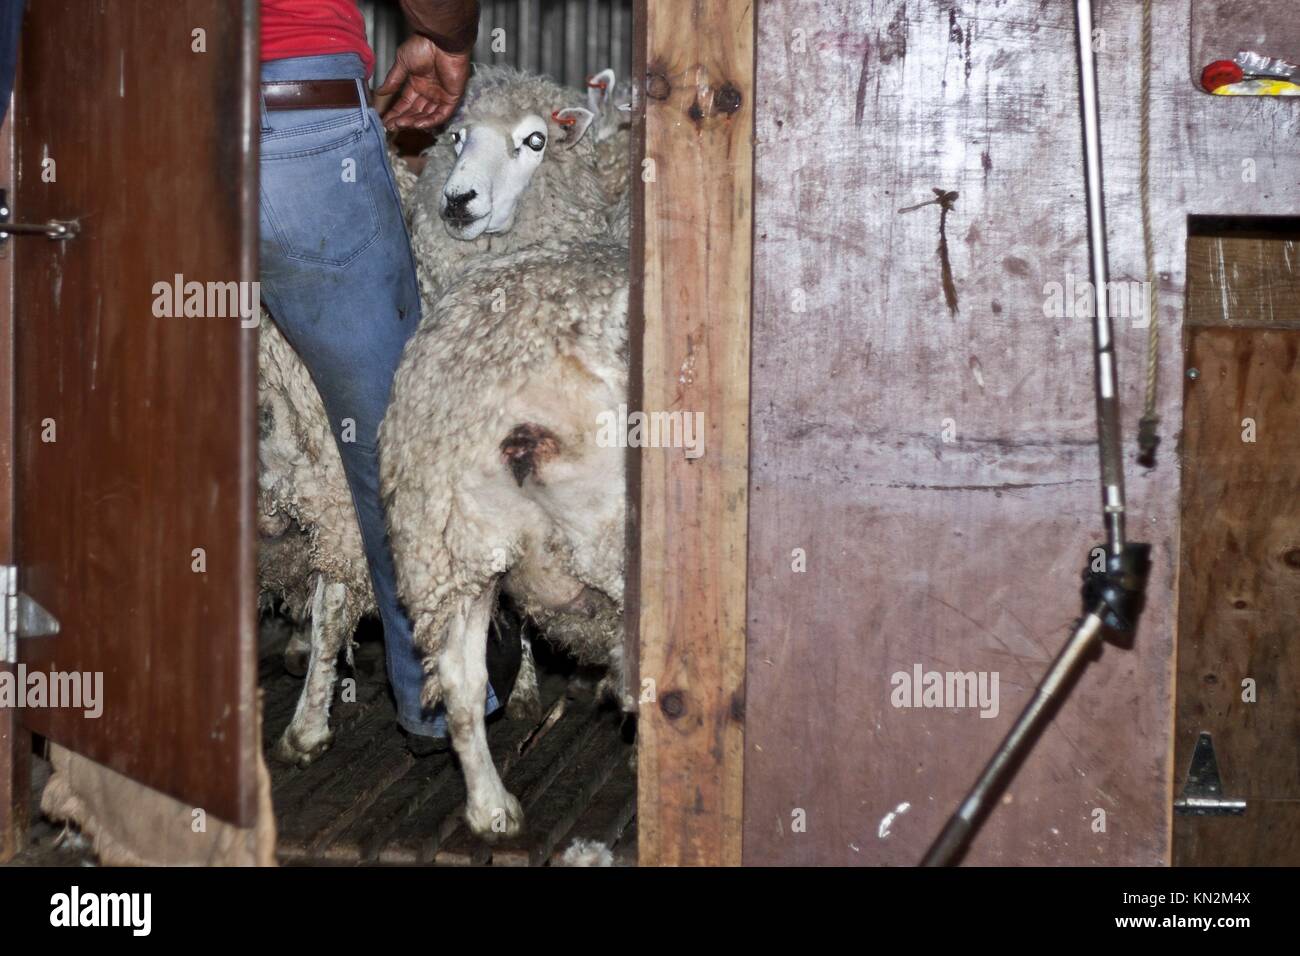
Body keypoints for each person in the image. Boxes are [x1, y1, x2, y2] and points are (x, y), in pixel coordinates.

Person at [259, 0, 514, 754]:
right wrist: (445, 34)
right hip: (292, 118)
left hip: (119, 107)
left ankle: (119, 712)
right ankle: (437, 695)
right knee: (392, 430)